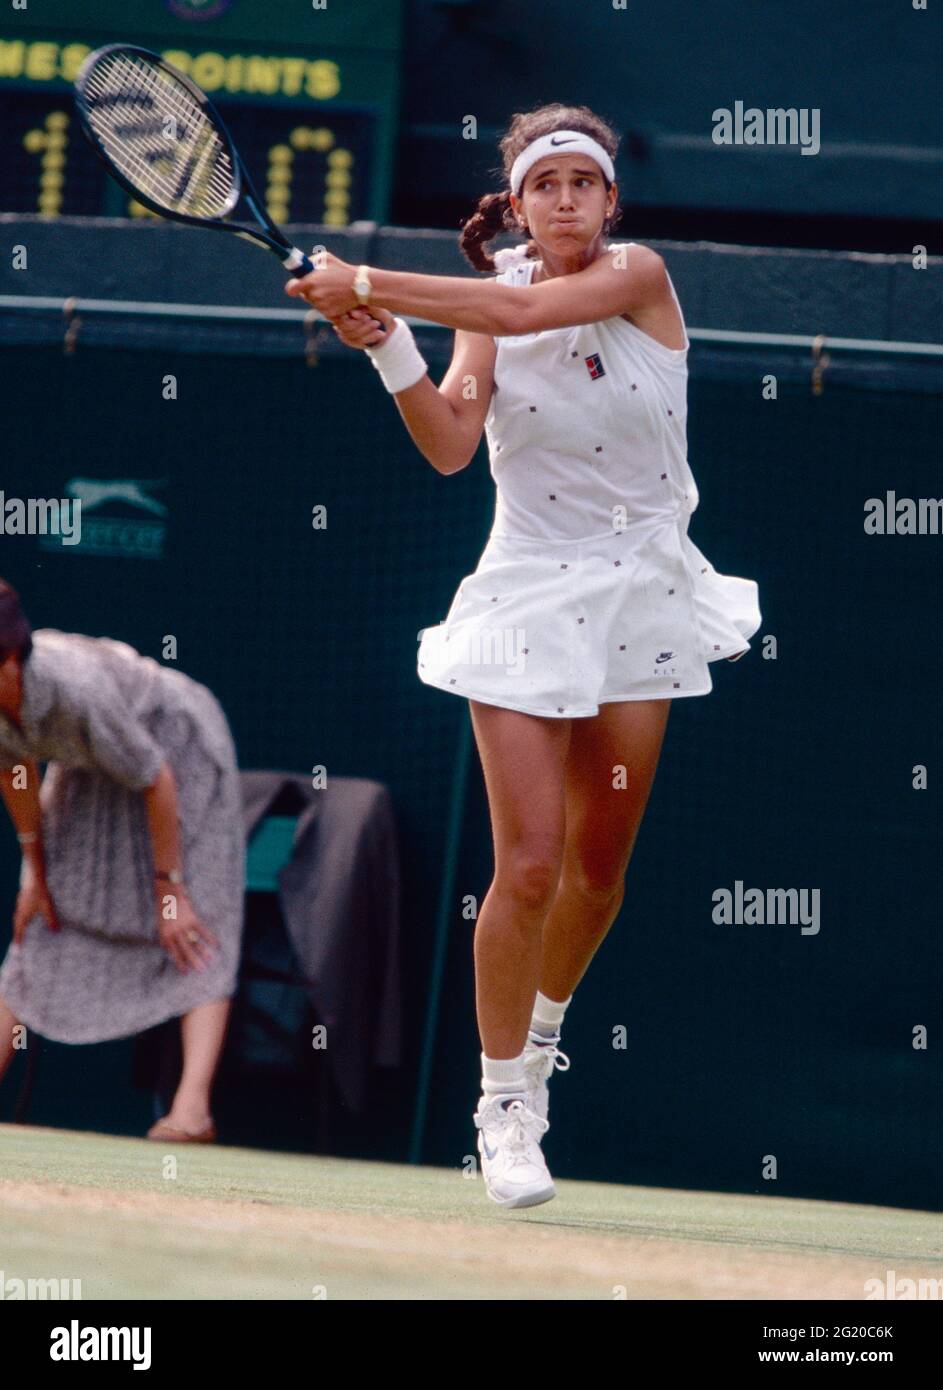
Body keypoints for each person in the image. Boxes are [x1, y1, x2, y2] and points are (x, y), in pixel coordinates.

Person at [286, 103, 761, 1208]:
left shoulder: (637, 274)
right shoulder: (490, 305)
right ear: (516, 202)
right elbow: (453, 443)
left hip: (644, 588)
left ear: (608, 202)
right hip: (524, 593)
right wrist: (388, 345)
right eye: (541, 184)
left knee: (598, 876)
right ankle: (505, 1108)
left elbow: (509, 301)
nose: (562, 200)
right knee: (532, 865)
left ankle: (541, 1046)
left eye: (580, 184)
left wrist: (366, 283)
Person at [0, 581, 245, 1142]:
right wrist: (34, 871)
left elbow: (156, 778)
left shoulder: (75, 689)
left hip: (175, 746)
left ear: (11, 659)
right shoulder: (10, 694)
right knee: (43, 914)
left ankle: (191, 1111)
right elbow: (12, 767)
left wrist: (170, 892)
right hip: (94, 761)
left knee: (194, 921)